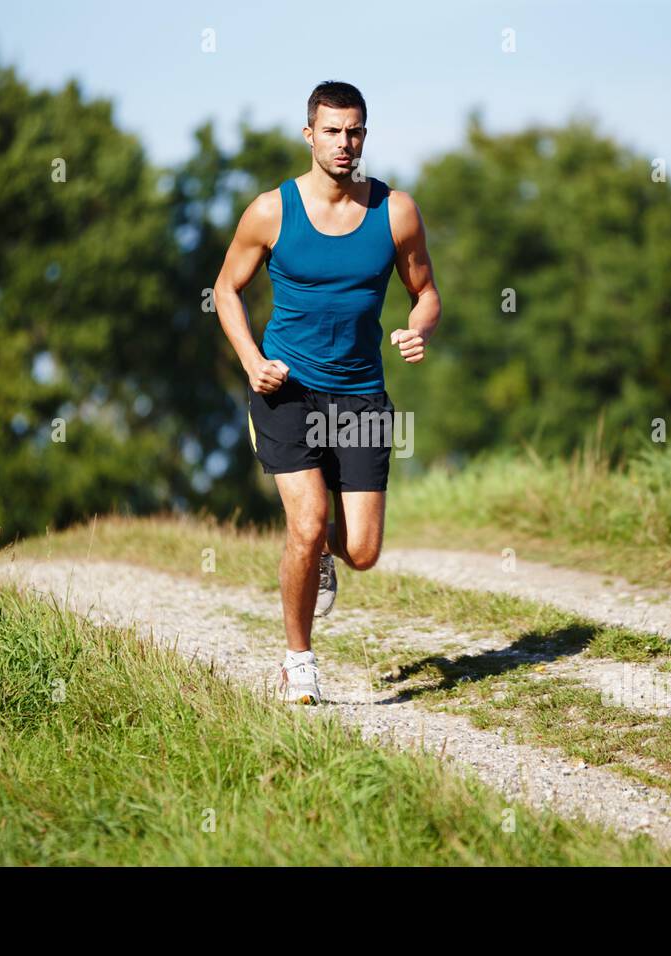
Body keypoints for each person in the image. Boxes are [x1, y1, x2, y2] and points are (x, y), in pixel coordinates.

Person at [213, 80, 441, 704]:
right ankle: (299, 660)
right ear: (309, 134)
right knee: (308, 521)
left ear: (365, 134)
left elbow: (426, 292)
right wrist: (251, 360)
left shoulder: (395, 212)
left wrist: (417, 328)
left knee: (362, 550)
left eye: (356, 131)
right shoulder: (271, 211)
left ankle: (322, 555)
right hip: (287, 390)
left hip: (361, 396)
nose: (345, 143)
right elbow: (225, 289)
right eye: (333, 131)